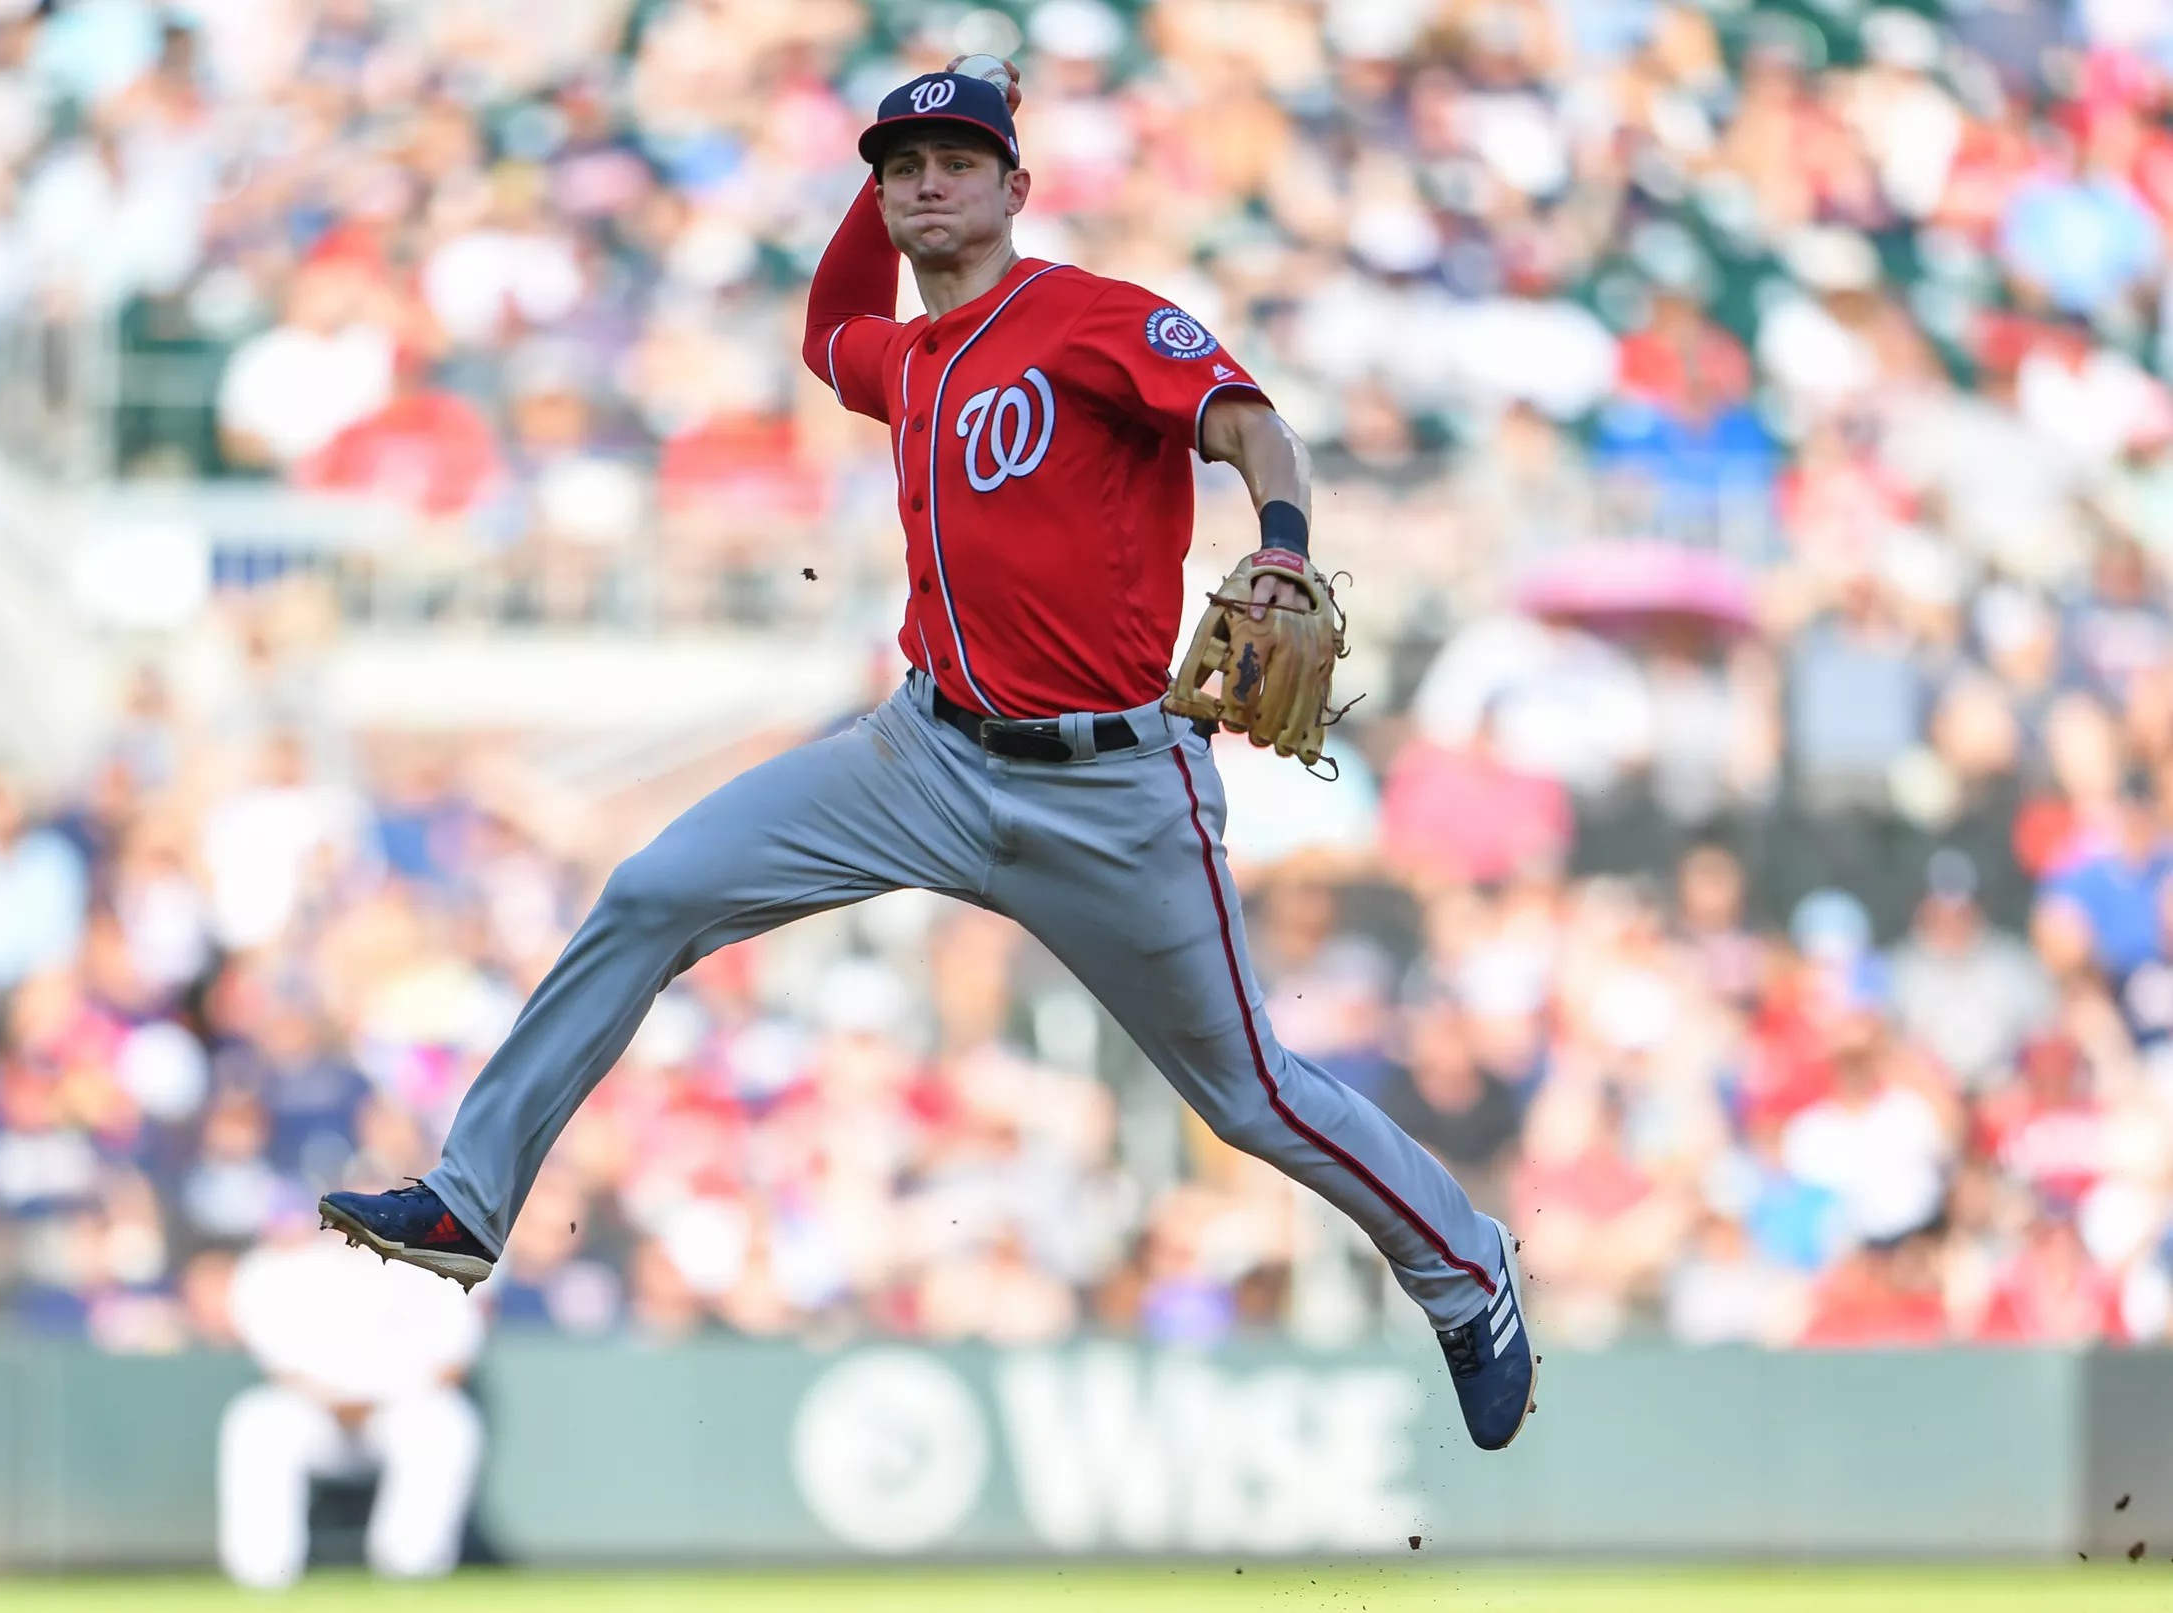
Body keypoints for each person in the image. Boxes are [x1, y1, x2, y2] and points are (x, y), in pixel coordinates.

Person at [317, 61, 1534, 1451]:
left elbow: (1255, 425)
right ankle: (471, 1201)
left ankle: (1466, 1269)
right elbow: (832, 323)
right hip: (922, 758)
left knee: (1248, 1095)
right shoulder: (906, 361)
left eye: (959, 157)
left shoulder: (1093, 317)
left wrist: (1283, 547)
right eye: (903, 165)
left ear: (1019, 186)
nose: (928, 179)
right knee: (652, 891)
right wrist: (870, 181)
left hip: (1110, 787)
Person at [216, 1215, 486, 1590]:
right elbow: (275, 1361)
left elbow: (454, 1360)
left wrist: (383, 1397)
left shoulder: (435, 1263)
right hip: (315, 1412)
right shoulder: (287, 1263)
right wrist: (332, 1398)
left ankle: (411, 1570)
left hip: (400, 1411)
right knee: (258, 1420)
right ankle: (261, 1576)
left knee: (445, 1422)